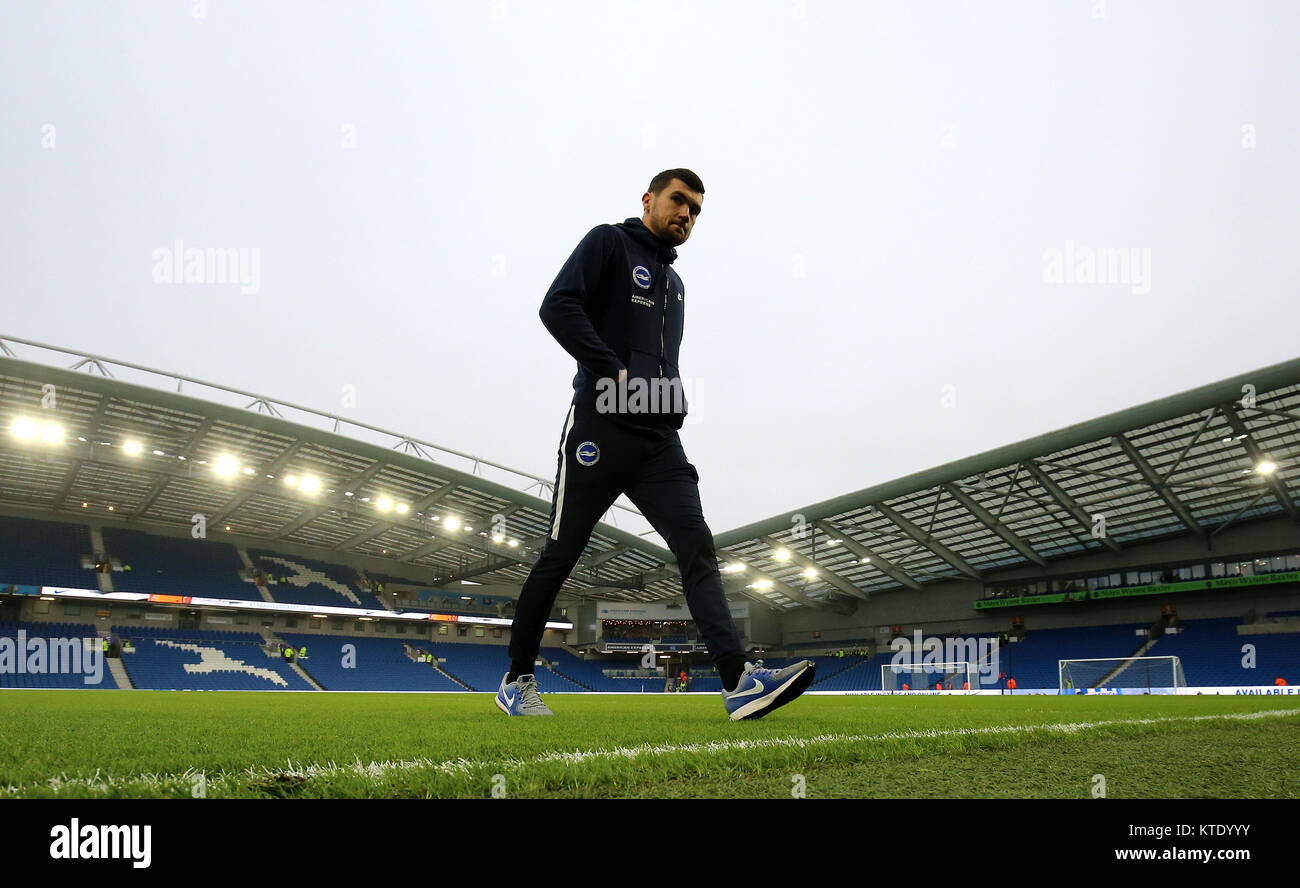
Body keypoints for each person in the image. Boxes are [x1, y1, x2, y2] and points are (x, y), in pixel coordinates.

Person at [496, 170, 815, 720]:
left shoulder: (676, 285)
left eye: (695, 210)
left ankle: (739, 681)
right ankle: (517, 679)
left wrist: (672, 399)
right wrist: (613, 372)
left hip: (657, 442)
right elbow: (557, 307)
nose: (686, 215)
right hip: (598, 429)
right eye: (678, 201)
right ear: (648, 200)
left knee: (696, 543)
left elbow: (662, 359)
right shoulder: (608, 242)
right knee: (560, 554)